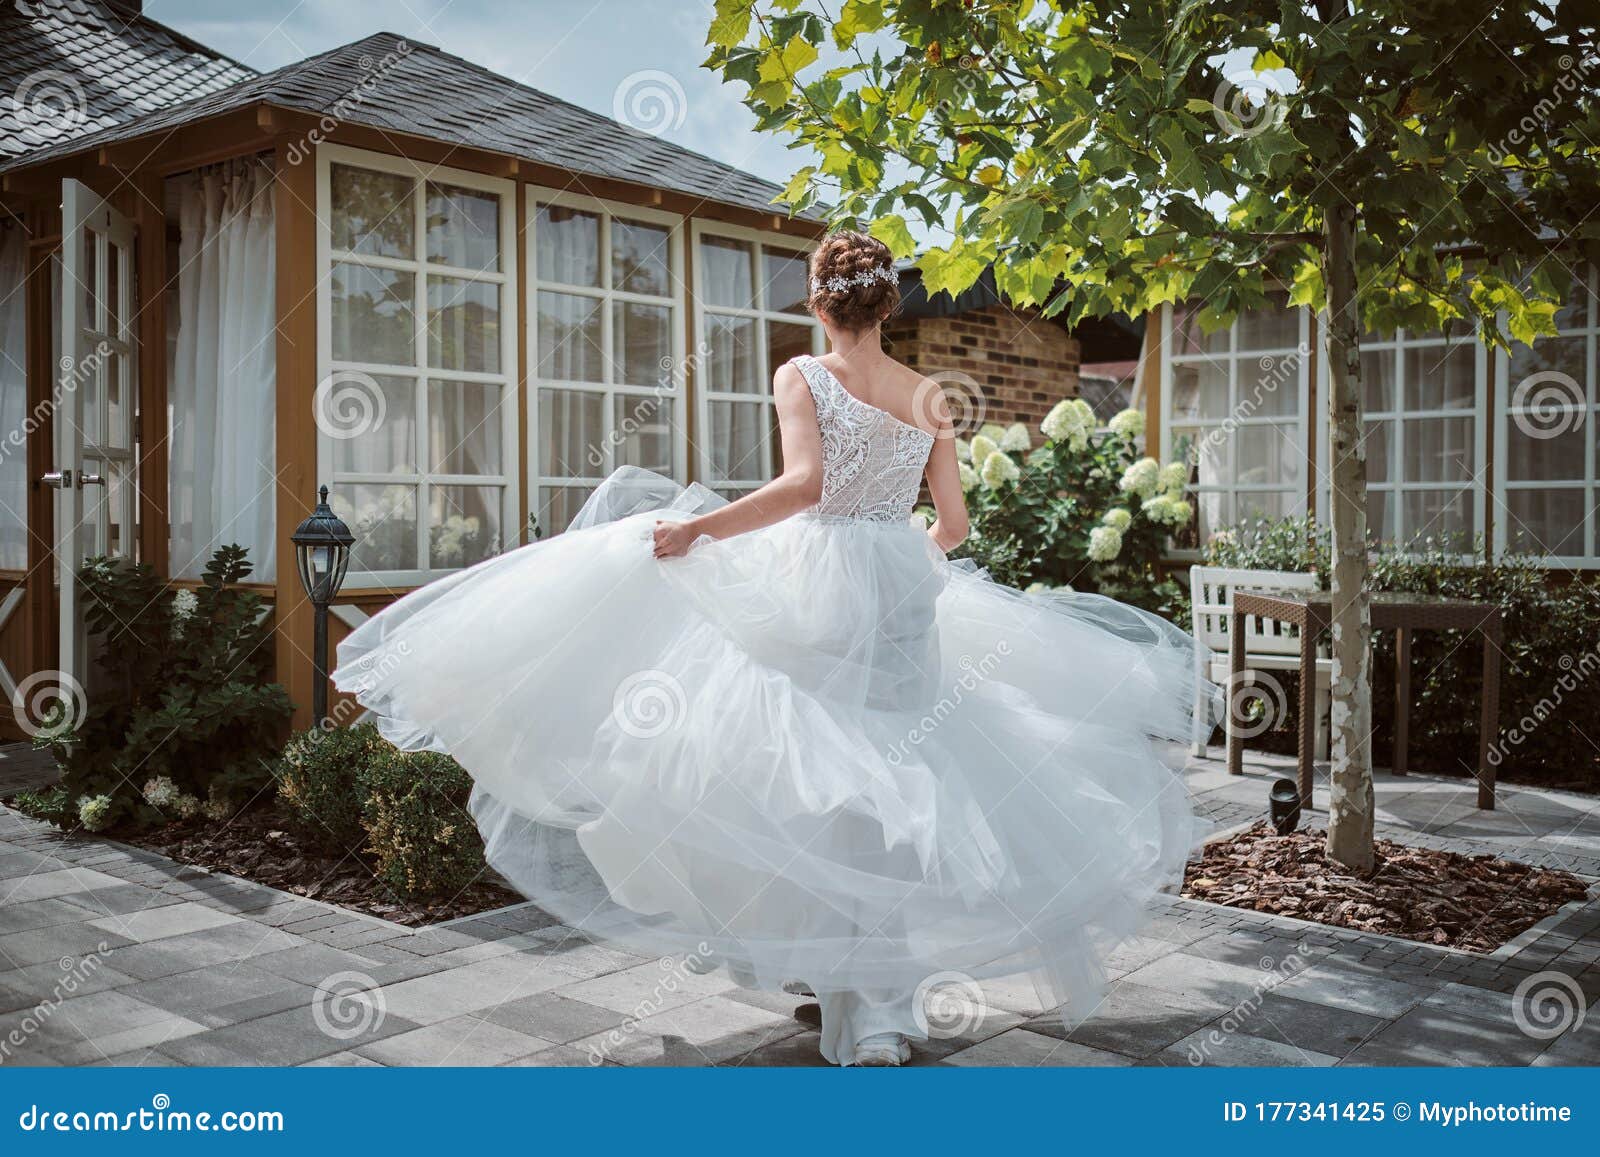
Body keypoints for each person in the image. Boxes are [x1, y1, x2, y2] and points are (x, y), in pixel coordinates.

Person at [333, 231, 1208, 1066]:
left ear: (823, 307)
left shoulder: (802, 372)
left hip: (818, 582)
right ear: (888, 307)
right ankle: (865, 994)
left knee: (804, 776)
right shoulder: (929, 394)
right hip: (899, 595)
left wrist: (703, 531)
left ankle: (848, 984)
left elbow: (805, 485)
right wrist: (896, 563)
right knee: (885, 779)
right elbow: (953, 525)